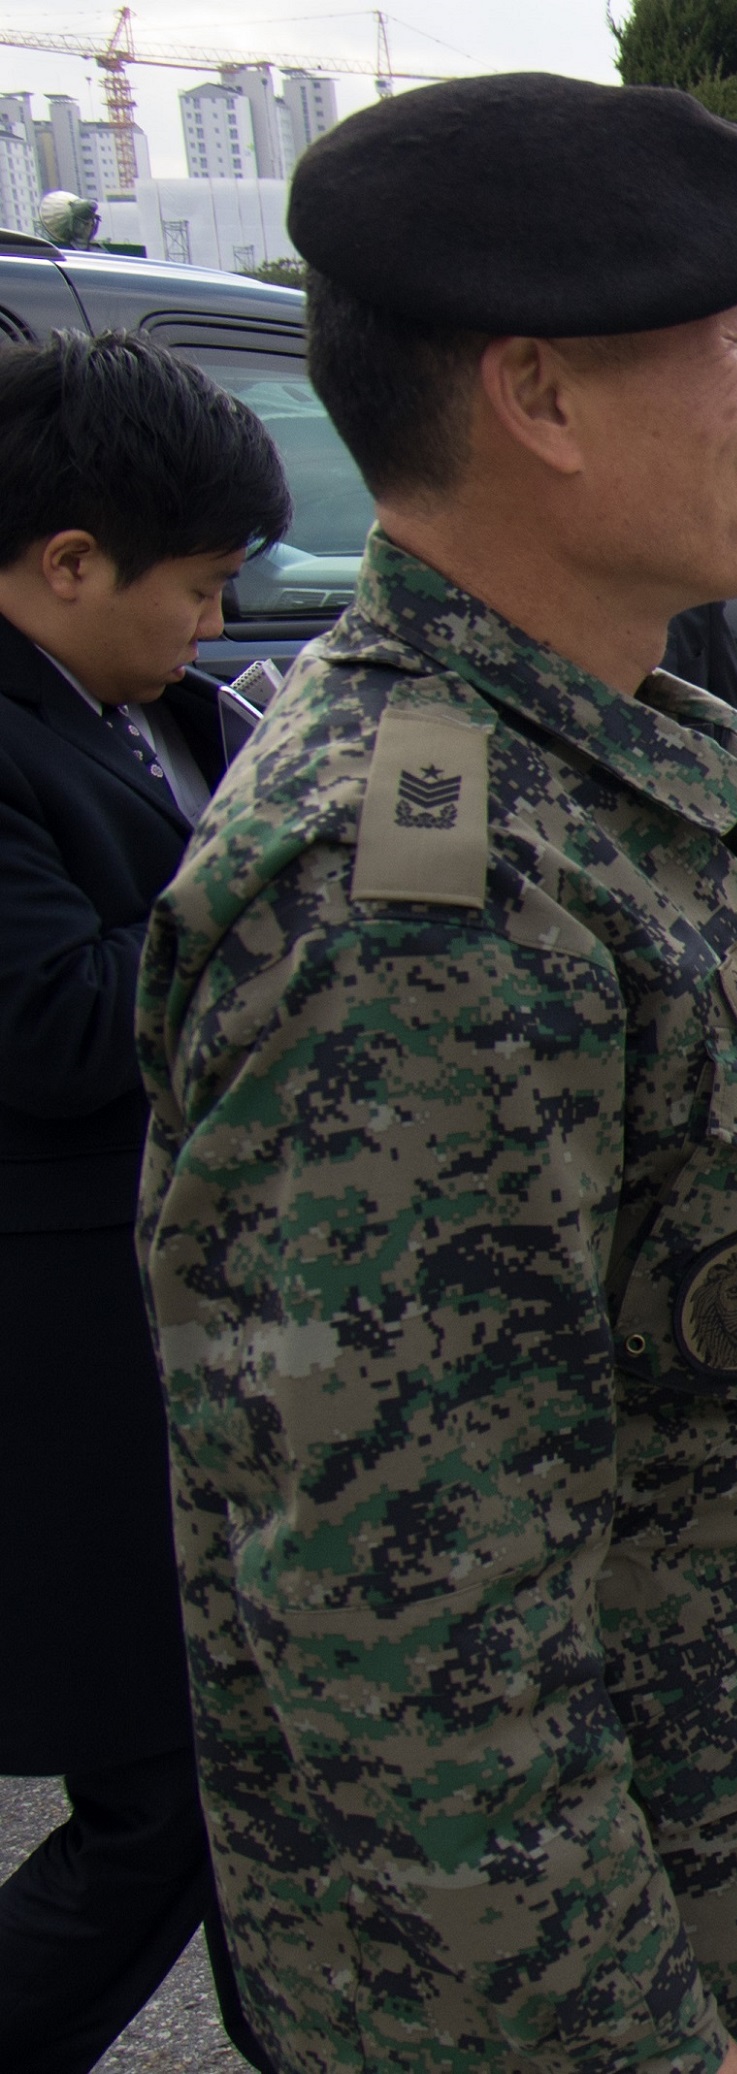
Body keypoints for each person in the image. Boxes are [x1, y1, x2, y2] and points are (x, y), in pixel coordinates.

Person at [136, 74, 737, 2074]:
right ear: (539, 399)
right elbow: (407, 1626)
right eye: (732, 343)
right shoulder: (416, 899)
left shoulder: (592, 755)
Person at [0, 332, 282, 2074]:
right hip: (66, 1353)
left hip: (187, 1335)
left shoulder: (157, 706)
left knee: (229, 1787)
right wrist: (265, 890)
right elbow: (49, 1024)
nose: (214, 620)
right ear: (67, 560)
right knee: (165, 1798)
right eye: (194, 584)